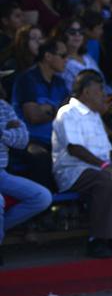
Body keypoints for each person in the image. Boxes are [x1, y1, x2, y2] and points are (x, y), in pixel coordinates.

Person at [52, 70, 112, 258]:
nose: (104, 95)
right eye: (99, 90)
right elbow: (75, 148)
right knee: (104, 180)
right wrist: (106, 167)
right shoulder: (68, 112)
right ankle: (99, 240)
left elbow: (108, 149)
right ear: (86, 92)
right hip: (73, 170)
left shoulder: (94, 115)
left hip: (101, 168)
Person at [0, 77, 52, 257]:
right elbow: (15, 135)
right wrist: (9, 132)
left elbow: (22, 140)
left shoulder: (3, 107)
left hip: (2, 174)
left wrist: (2, 133)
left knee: (42, 197)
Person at [11, 38, 70, 150]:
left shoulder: (60, 83)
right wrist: (57, 110)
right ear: (48, 56)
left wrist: (49, 110)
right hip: (31, 141)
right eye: (63, 56)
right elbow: (34, 117)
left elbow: (67, 115)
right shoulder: (27, 80)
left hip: (56, 141)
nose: (66, 60)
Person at [59, 18, 100, 93]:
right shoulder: (60, 61)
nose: (77, 35)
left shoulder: (87, 58)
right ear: (62, 34)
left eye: (80, 32)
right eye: (72, 32)